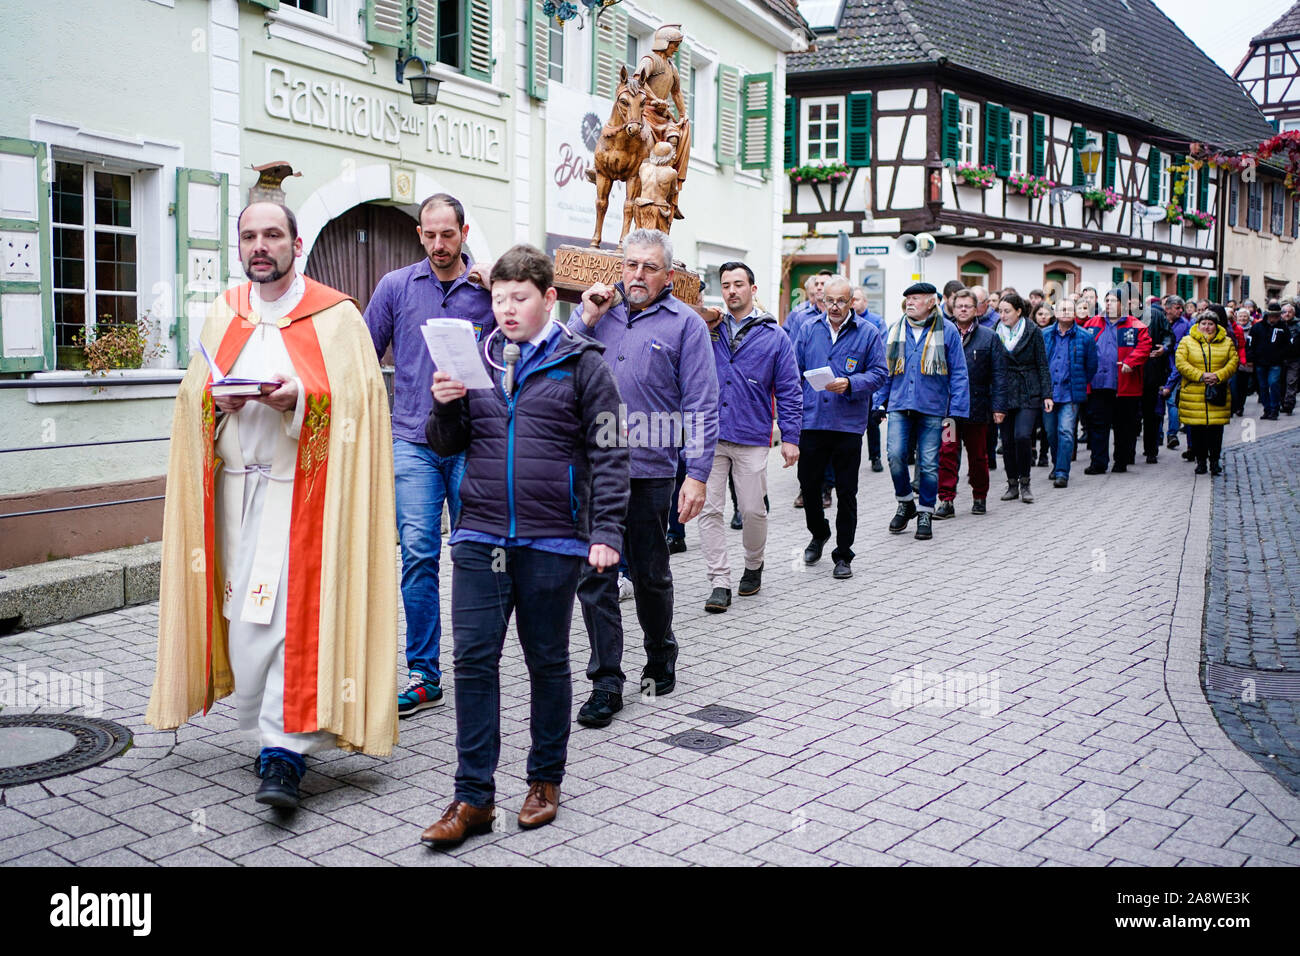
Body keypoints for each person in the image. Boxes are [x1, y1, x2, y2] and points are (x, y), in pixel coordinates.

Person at [147, 201, 398, 808]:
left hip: (304, 496)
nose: (261, 246)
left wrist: (301, 402)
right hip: (234, 494)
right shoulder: (224, 313)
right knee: (242, 624)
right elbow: (190, 399)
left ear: (296, 242)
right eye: (250, 237)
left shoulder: (337, 317)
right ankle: (269, 732)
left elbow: (362, 408)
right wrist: (215, 401)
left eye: (273, 235)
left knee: (287, 619)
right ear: (240, 247)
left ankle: (284, 751)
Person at [419, 244, 629, 848]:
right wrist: (443, 405)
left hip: (553, 540)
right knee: (474, 663)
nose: (506, 309)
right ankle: (472, 797)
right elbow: (445, 444)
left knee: (547, 663)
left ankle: (543, 781)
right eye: (498, 298)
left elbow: (612, 452)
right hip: (480, 535)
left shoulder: (584, 363)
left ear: (548, 299)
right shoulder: (475, 359)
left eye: (519, 298)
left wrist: (606, 533)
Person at [570, 228, 718, 727]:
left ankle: (660, 653)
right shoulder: (597, 313)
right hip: (594, 469)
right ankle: (606, 679)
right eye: (631, 264)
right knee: (596, 576)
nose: (637, 274)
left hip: (651, 472)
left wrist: (696, 474)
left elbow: (700, 402)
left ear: (668, 275)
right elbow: (554, 363)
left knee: (651, 576)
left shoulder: (686, 326)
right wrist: (583, 317)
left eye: (649, 267)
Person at [698, 262, 801, 610]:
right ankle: (719, 580)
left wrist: (791, 437)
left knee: (754, 510)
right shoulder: (709, 328)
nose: (731, 291)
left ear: (753, 289)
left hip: (751, 434)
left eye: (738, 284)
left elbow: (789, 389)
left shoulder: (775, 336)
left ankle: (753, 566)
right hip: (709, 435)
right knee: (710, 510)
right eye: (725, 285)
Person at [793, 276, 887, 576]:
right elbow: (793, 371)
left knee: (847, 492)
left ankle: (843, 554)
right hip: (813, 420)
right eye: (828, 300)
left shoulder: (868, 332)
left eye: (840, 301)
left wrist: (850, 383)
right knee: (808, 486)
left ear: (852, 302)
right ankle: (819, 532)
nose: (833, 306)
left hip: (847, 424)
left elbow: (880, 374)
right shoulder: (808, 329)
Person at [879, 282, 970, 540]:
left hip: (933, 407)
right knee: (895, 456)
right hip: (899, 403)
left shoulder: (948, 331)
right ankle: (906, 502)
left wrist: (956, 411)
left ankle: (925, 512)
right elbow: (886, 369)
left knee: (929, 464)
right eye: (907, 298)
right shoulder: (896, 329)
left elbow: (959, 373)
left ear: (931, 302)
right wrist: (878, 403)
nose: (910, 302)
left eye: (916, 298)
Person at [935, 288, 999, 518]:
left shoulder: (989, 336)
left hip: (977, 407)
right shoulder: (941, 333)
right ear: (952, 308)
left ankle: (979, 495)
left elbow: (999, 375)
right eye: (959, 305)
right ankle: (946, 500)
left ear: (977, 309)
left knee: (978, 455)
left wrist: (999, 406)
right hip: (949, 409)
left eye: (968, 306)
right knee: (947, 452)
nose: (963, 309)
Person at [991, 292, 1052, 503]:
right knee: (1006, 440)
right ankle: (1012, 484)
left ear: (1018, 311)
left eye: (1007, 311)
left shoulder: (1033, 331)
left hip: (1028, 389)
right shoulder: (994, 331)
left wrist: (1047, 394)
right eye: (1000, 311)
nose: (1003, 315)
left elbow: (1042, 364)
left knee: (1022, 436)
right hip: (1004, 391)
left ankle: (1026, 483)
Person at [1082, 285, 1150, 474]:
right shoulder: (1092, 324)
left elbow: (1144, 347)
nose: (1109, 304)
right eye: (1107, 300)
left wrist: (1131, 361)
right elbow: (1082, 345)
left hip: (1124, 385)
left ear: (1124, 304)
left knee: (1124, 426)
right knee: (1098, 425)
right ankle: (1098, 462)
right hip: (1098, 384)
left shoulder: (1136, 325)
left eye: (1113, 301)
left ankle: (1121, 461)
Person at [1041, 296, 1099, 488]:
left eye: (1069, 309)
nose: (1065, 312)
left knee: (1065, 431)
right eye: (1061, 309)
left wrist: (1080, 382)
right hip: (1049, 393)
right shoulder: (1045, 335)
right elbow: (1039, 364)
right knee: (1050, 432)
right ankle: (1057, 463)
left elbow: (1091, 366)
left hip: (1070, 393)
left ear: (1074, 313)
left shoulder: (1085, 336)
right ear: (1055, 313)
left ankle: (1062, 472)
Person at [1175, 309, 1238, 475]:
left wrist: (1218, 376)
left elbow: (1233, 362)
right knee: (1197, 432)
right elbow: (1181, 363)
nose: (1207, 327)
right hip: (1194, 394)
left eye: (1210, 324)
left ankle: (1215, 461)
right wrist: (1201, 376)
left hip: (1217, 393)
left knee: (1216, 432)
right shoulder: (1186, 342)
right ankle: (1200, 461)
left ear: (1216, 325)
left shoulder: (1226, 342)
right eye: (1203, 323)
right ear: (1198, 324)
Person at [852, 284, 887, 471]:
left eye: (857, 299)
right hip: (851, 381)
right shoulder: (846, 321)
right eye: (852, 299)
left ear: (865, 302)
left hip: (869, 381)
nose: (853, 303)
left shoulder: (876, 322)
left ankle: (875, 457)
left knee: (872, 422)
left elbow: (880, 353)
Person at [1247, 300, 1289, 419]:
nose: (1274, 319)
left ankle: (1274, 408)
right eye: (1272, 316)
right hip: (1260, 362)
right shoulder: (1258, 327)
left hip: (1276, 362)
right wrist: (1250, 358)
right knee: (1263, 387)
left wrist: (1283, 356)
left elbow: (1288, 344)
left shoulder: (1283, 327)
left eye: (1276, 316)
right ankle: (1267, 409)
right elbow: (1250, 343)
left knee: (1274, 383)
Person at [1162, 295, 1191, 449]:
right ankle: (1157, 436)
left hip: (1176, 369)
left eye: (1182, 308)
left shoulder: (1185, 325)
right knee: (1158, 404)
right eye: (1177, 308)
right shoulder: (1160, 321)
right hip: (1160, 369)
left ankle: (1172, 434)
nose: (1180, 311)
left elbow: (1182, 353)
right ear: (1168, 309)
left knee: (1172, 402)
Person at [1229, 306, 1252, 416]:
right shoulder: (1234, 328)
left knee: (1243, 386)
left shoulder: (1253, 328)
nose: (1242, 318)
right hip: (1235, 361)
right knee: (1234, 385)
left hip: (1246, 361)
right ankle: (1234, 406)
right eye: (1240, 316)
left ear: (1248, 318)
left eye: (1245, 316)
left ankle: (1240, 406)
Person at [1283, 300, 1300, 415]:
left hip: (1295, 358)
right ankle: (1281, 403)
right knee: (1279, 382)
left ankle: (1289, 404)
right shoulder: (1278, 325)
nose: (1287, 314)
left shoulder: (1298, 325)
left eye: (1290, 312)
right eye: (1285, 312)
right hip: (1280, 358)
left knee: (1291, 381)